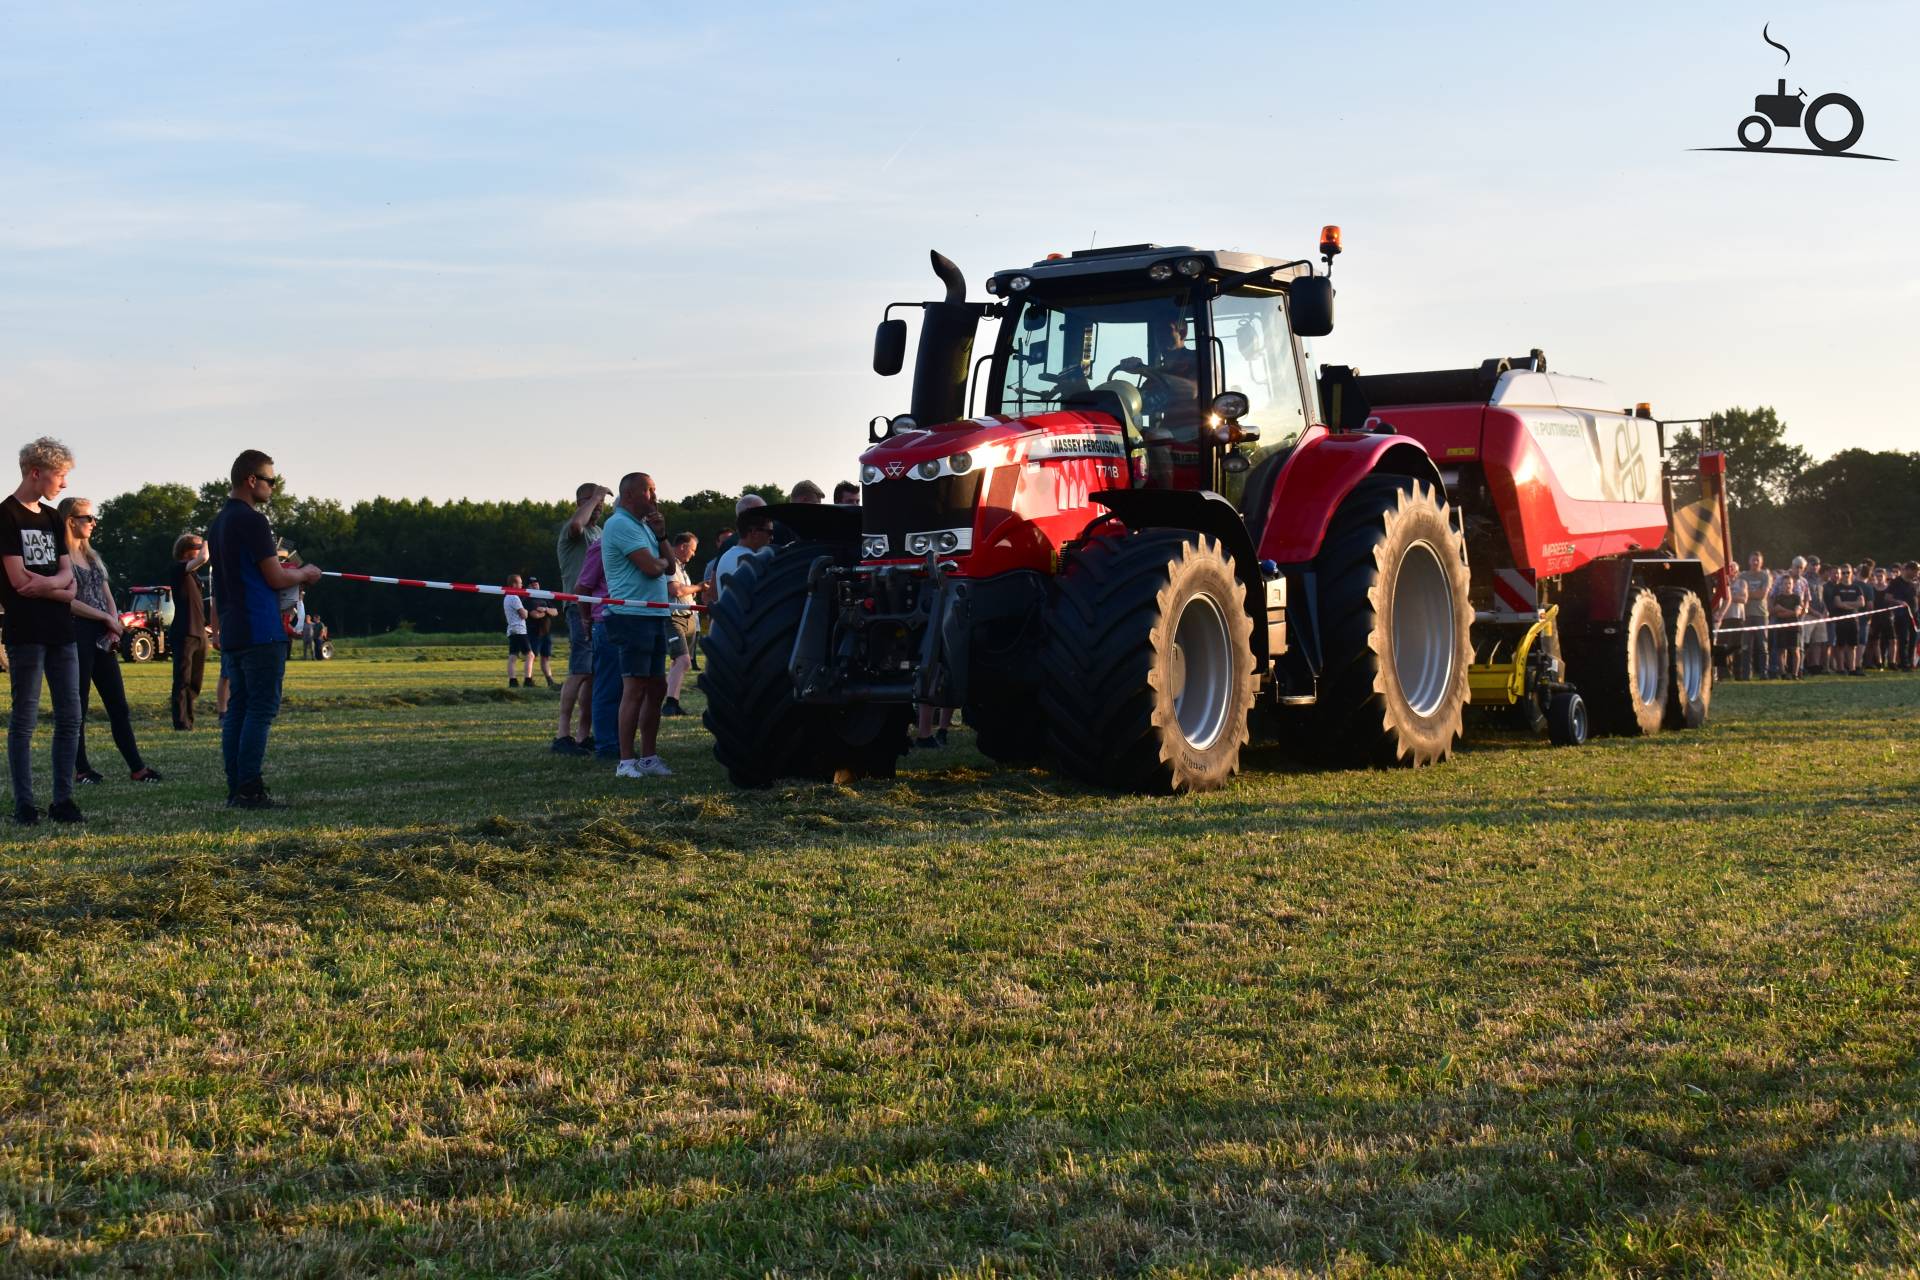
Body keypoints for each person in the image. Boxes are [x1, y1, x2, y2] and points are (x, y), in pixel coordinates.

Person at [209, 449, 322, 809]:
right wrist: (304, 574)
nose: (274, 486)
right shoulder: (254, 521)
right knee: (260, 710)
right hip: (261, 628)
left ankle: (236, 789)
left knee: (237, 710)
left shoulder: (217, 524)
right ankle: (250, 790)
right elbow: (274, 576)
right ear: (251, 480)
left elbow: (220, 584)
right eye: (270, 480)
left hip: (234, 630)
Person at [3, 437, 83, 825]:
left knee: (71, 717)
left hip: (61, 632)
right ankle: (25, 804)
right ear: (36, 473)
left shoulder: (53, 518)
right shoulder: (6, 516)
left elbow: (70, 578)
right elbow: (19, 582)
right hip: (26, 633)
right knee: (25, 721)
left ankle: (63, 801)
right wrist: (60, 589)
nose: (64, 484)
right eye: (60, 475)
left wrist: (49, 586)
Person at [58, 497, 162, 786]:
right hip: (77, 632)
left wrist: (114, 623)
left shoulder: (92, 557)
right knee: (78, 707)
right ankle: (82, 770)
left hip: (103, 633)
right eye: (88, 518)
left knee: (118, 705)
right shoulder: (61, 558)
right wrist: (105, 618)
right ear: (71, 521)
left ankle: (138, 768)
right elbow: (68, 602)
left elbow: (107, 595)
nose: (94, 523)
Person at [600, 472, 679, 778]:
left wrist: (661, 536)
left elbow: (668, 567)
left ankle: (648, 757)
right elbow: (651, 568)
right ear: (630, 494)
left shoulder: (645, 526)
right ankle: (626, 762)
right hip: (632, 616)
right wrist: (660, 563)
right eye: (649, 491)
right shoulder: (619, 524)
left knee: (657, 688)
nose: (655, 496)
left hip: (654, 615)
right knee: (634, 688)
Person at [554, 483, 610, 755]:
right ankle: (562, 735)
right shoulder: (573, 528)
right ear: (580, 503)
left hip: (596, 608)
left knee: (592, 674)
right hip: (578, 606)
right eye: (592, 501)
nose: (598, 505)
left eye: (601, 502)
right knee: (579, 670)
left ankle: (583, 735)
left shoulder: (600, 532)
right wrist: (597, 494)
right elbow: (577, 525)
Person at [572, 537, 619, 761]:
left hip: (630, 621)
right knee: (608, 687)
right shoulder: (603, 544)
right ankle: (607, 746)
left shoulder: (644, 539)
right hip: (607, 621)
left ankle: (619, 743)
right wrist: (585, 618)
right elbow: (582, 586)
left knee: (625, 688)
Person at [167, 532, 211, 729]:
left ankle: (189, 720)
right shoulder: (178, 569)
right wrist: (210, 539)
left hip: (199, 633)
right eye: (198, 546)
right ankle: (181, 722)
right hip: (184, 633)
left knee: (194, 682)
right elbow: (204, 558)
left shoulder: (193, 575)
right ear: (186, 551)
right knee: (182, 680)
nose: (201, 549)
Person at [662, 532, 700, 717]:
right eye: (692, 550)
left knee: (679, 662)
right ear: (683, 546)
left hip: (686, 617)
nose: (694, 554)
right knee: (683, 660)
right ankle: (670, 704)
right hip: (673, 617)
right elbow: (675, 590)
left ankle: (673, 702)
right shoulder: (670, 565)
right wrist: (699, 587)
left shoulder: (680, 567)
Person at [711, 507, 774, 600]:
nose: (772, 537)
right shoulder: (753, 561)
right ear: (754, 532)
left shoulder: (725, 556)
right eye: (769, 532)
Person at [1766, 559, 1808, 680]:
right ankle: (1783, 673)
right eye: (1785, 584)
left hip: (1795, 626)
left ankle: (1796, 673)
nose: (1787, 585)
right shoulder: (1778, 596)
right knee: (1781, 650)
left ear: (1792, 585)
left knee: (1796, 650)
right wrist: (1791, 612)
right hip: (1781, 625)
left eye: (1789, 584)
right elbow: (1777, 612)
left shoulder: (1797, 596)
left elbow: (1798, 611)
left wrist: (1787, 611)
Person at [1826, 563, 1866, 675]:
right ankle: (1841, 668)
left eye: (1848, 572)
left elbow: (1862, 603)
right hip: (1841, 620)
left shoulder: (1857, 588)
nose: (1845, 575)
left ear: (1851, 573)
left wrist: (1846, 604)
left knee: (1852, 645)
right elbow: (1838, 603)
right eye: (1843, 573)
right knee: (1840, 645)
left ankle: (1852, 669)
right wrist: (1853, 604)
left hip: (1853, 620)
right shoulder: (1837, 588)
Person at [525, 576, 559, 687]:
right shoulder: (527, 599)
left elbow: (555, 612)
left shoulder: (545, 598)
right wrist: (547, 612)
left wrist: (544, 609)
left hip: (546, 633)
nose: (535, 585)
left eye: (536, 583)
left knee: (545, 657)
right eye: (532, 584)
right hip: (534, 633)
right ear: (528, 586)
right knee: (532, 656)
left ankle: (550, 681)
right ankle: (528, 680)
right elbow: (534, 615)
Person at [503, 573, 531, 687]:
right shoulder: (514, 597)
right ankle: (528, 680)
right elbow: (524, 615)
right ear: (514, 584)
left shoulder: (506, 597)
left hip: (511, 629)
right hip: (519, 630)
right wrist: (527, 611)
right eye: (520, 583)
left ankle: (512, 681)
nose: (522, 585)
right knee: (530, 655)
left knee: (513, 656)